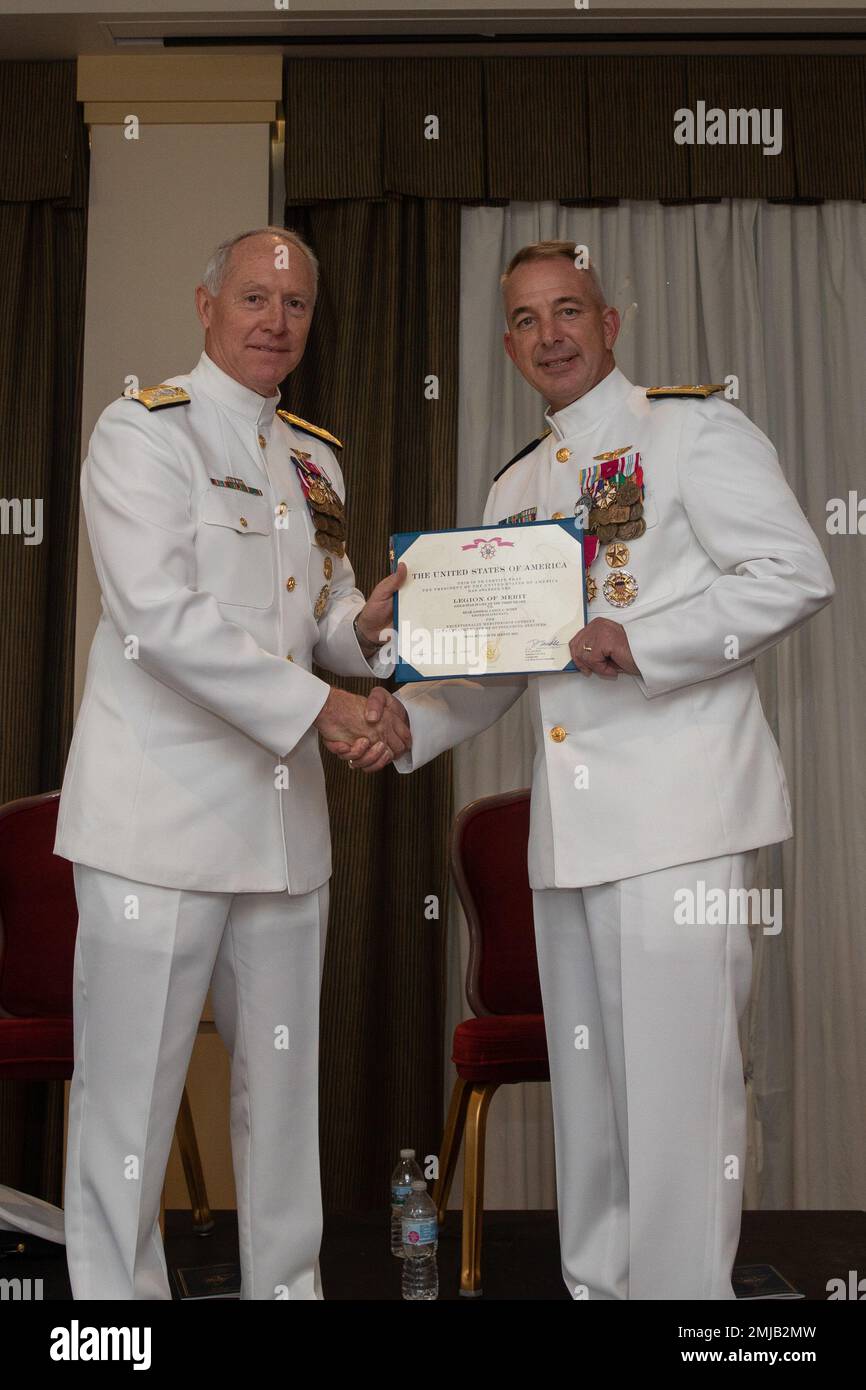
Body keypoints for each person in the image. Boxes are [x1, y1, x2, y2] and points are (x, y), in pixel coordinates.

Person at [330, 241, 835, 1299]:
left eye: (568, 310)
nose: (548, 334)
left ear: (611, 322)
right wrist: (400, 721)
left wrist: (641, 640)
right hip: (569, 836)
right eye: (524, 319)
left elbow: (793, 569)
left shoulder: (691, 428)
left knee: (677, 1101)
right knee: (596, 1102)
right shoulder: (518, 482)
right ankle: (599, 1294)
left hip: (679, 824)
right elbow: (499, 666)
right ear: (509, 344)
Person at [50, 226, 410, 1299]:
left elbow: (322, 618)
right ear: (205, 305)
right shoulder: (140, 432)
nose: (275, 321)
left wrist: (377, 627)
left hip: (282, 825)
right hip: (154, 825)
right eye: (254, 297)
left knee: (283, 1090)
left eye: (295, 304)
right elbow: (159, 622)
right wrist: (328, 709)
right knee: (128, 1106)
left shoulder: (315, 454)